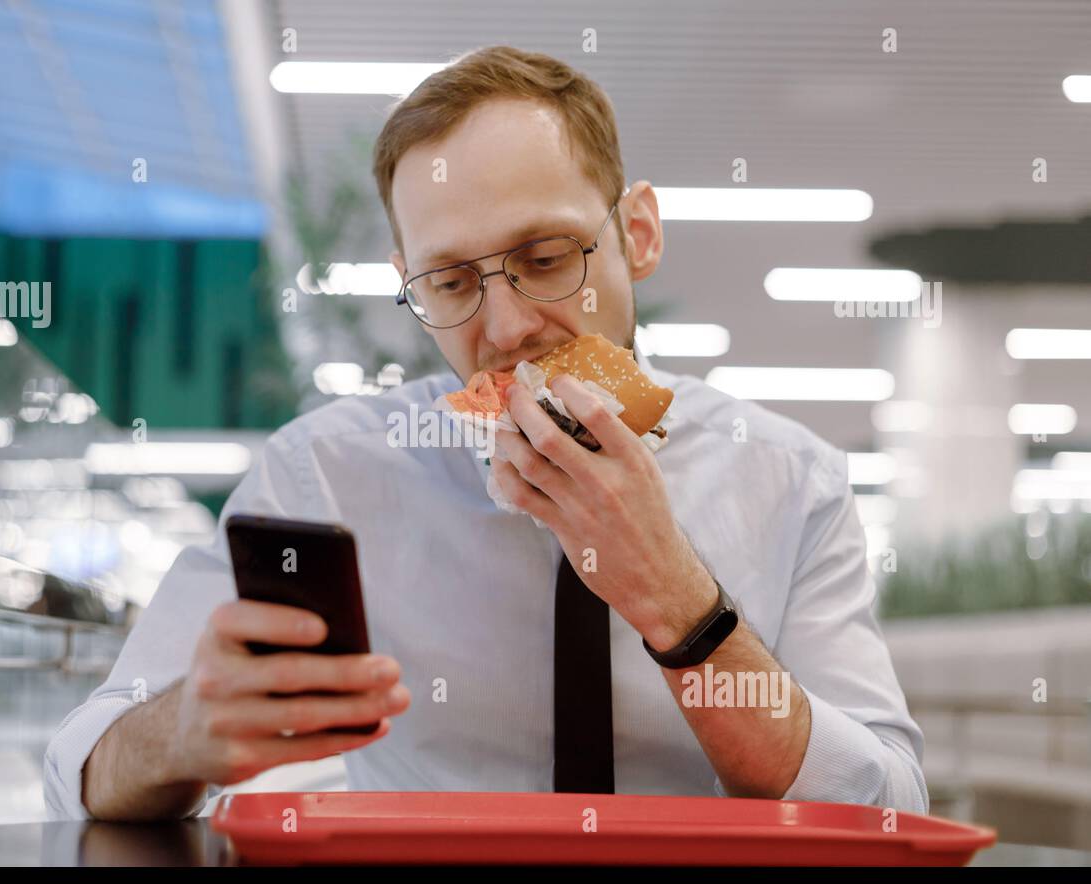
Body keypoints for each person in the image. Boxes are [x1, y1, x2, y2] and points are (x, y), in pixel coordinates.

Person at [46, 45, 927, 821]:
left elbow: (888, 807)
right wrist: (182, 734)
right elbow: (78, 768)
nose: (506, 329)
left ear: (638, 234)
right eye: (452, 282)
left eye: (547, 259)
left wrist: (675, 598)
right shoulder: (328, 472)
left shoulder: (791, 480)